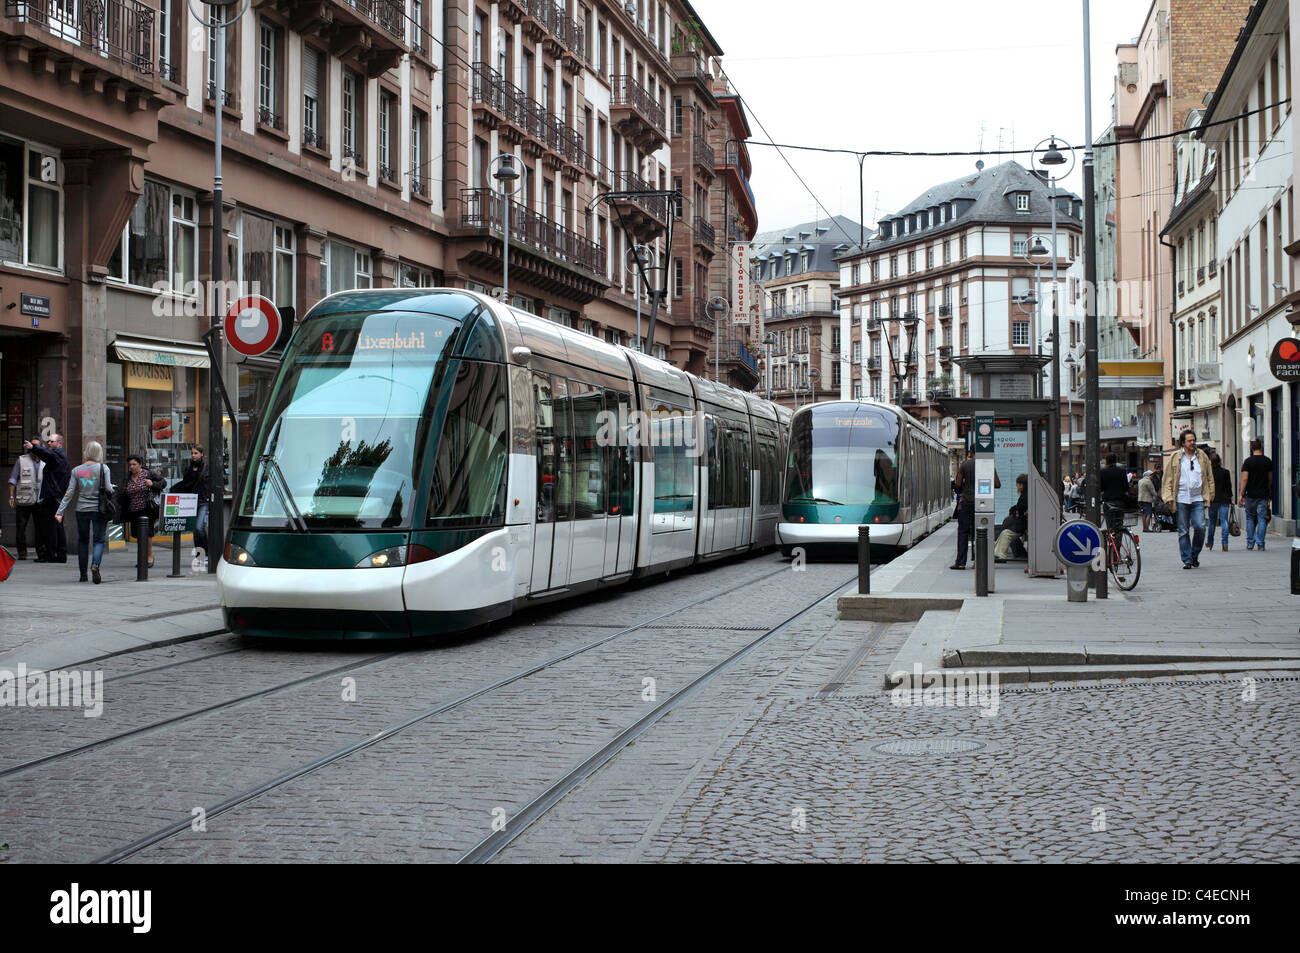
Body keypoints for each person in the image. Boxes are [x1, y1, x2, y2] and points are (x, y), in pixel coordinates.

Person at [55, 442, 113, 584]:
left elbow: (69, 492)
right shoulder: (103, 468)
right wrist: (112, 489)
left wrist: (60, 512)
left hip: (81, 510)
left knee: (83, 541)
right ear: (99, 453)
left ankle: (83, 575)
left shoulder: (76, 470)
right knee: (99, 540)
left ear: (86, 452)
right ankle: (95, 565)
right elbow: (108, 488)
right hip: (99, 510)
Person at [1161, 429, 1215, 569]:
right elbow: (1167, 480)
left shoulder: (1202, 456)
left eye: (1193, 440)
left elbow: (1209, 477)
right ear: (1183, 443)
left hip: (1198, 498)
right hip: (1181, 498)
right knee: (1183, 530)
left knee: (1200, 527)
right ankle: (1187, 559)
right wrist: (1168, 497)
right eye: (1189, 440)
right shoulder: (1175, 457)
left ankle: (1194, 554)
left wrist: (1210, 494)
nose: (1192, 443)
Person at [950, 448, 999, 570]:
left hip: (966, 502)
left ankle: (960, 563)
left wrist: (962, 486)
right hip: (983, 502)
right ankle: (980, 562)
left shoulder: (965, 464)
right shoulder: (988, 465)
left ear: (971, 453)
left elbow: (958, 484)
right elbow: (997, 484)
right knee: (982, 532)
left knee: (963, 532)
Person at [26, 434, 71, 563]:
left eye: (52, 441)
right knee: (57, 525)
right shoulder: (58, 456)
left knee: (51, 526)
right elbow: (47, 455)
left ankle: (52, 554)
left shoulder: (58, 456)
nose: (49, 443)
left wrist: (33, 447)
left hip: (53, 496)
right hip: (55, 496)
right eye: (48, 441)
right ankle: (60, 554)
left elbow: (48, 455)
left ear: (59, 443)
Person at [119, 454, 167, 568]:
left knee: (147, 533)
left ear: (140, 465)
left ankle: (149, 556)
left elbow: (163, 483)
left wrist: (152, 484)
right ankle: (142, 557)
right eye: (130, 464)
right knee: (137, 535)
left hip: (147, 509)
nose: (131, 467)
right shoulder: (127, 478)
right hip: (133, 510)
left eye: (134, 464)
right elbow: (123, 492)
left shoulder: (148, 474)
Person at [171, 444, 211, 562]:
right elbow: (185, 483)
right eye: (192, 453)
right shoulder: (188, 468)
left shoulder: (207, 468)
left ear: (202, 454)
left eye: (196, 453)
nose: (193, 455)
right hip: (191, 501)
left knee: (199, 528)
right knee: (195, 529)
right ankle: (200, 556)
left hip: (203, 501)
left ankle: (207, 553)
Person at [7, 443, 45, 560]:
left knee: (40, 527)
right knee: (21, 527)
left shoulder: (45, 461)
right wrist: (11, 496)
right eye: (31, 445)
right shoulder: (21, 460)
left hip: (40, 500)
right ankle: (22, 552)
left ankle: (41, 552)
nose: (32, 448)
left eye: (35, 446)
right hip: (24, 499)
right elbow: (13, 479)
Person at [1239, 438, 1273, 552]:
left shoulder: (1248, 461)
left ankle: (1250, 543)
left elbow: (1245, 478)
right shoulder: (1267, 461)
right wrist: (1268, 490)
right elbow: (1270, 479)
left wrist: (1241, 493)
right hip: (1263, 494)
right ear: (1261, 448)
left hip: (1251, 494)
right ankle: (1261, 543)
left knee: (1249, 518)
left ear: (1251, 448)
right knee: (1262, 519)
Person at [994, 473, 1029, 562]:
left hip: (1024, 523)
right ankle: (997, 553)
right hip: (1025, 522)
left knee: (1006, 533)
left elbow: (1020, 508)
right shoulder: (1026, 494)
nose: (1017, 487)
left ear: (1021, 485)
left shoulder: (1025, 496)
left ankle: (1000, 555)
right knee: (1005, 531)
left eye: (1017, 485)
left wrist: (1016, 511)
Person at [1204, 451, 1233, 553]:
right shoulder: (1225, 472)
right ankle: (1225, 544)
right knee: (1224, 521)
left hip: (1213, 500)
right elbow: (1229, 487)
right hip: (1224, 499)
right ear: (1220, 461)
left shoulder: (1209, 473)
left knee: (1212, 522)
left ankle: (1210, 542)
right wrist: (1231, 498)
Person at [1099, 452, 1131, 531]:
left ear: (1107, 461)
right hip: (1120, 501)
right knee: (1119, 523)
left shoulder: (1103, 472)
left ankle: (1111, 540)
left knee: (1110, 524)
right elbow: (1126, 487)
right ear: (1115, 460)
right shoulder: (1122, 471)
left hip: (1108, 501)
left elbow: (1101, 488)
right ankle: (1118, 542)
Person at [1136, 469, 1156, 533]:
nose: (1152, 477)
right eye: (1151, 475)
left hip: (1140, 499)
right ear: (1148, 475)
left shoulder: (1140, 481)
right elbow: (1152, 491)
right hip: (1147, 499)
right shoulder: (1148, 481)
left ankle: (1144, 527)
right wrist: (1157, 496)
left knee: (1144, 513)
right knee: (1149, 514)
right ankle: (1147, 528)